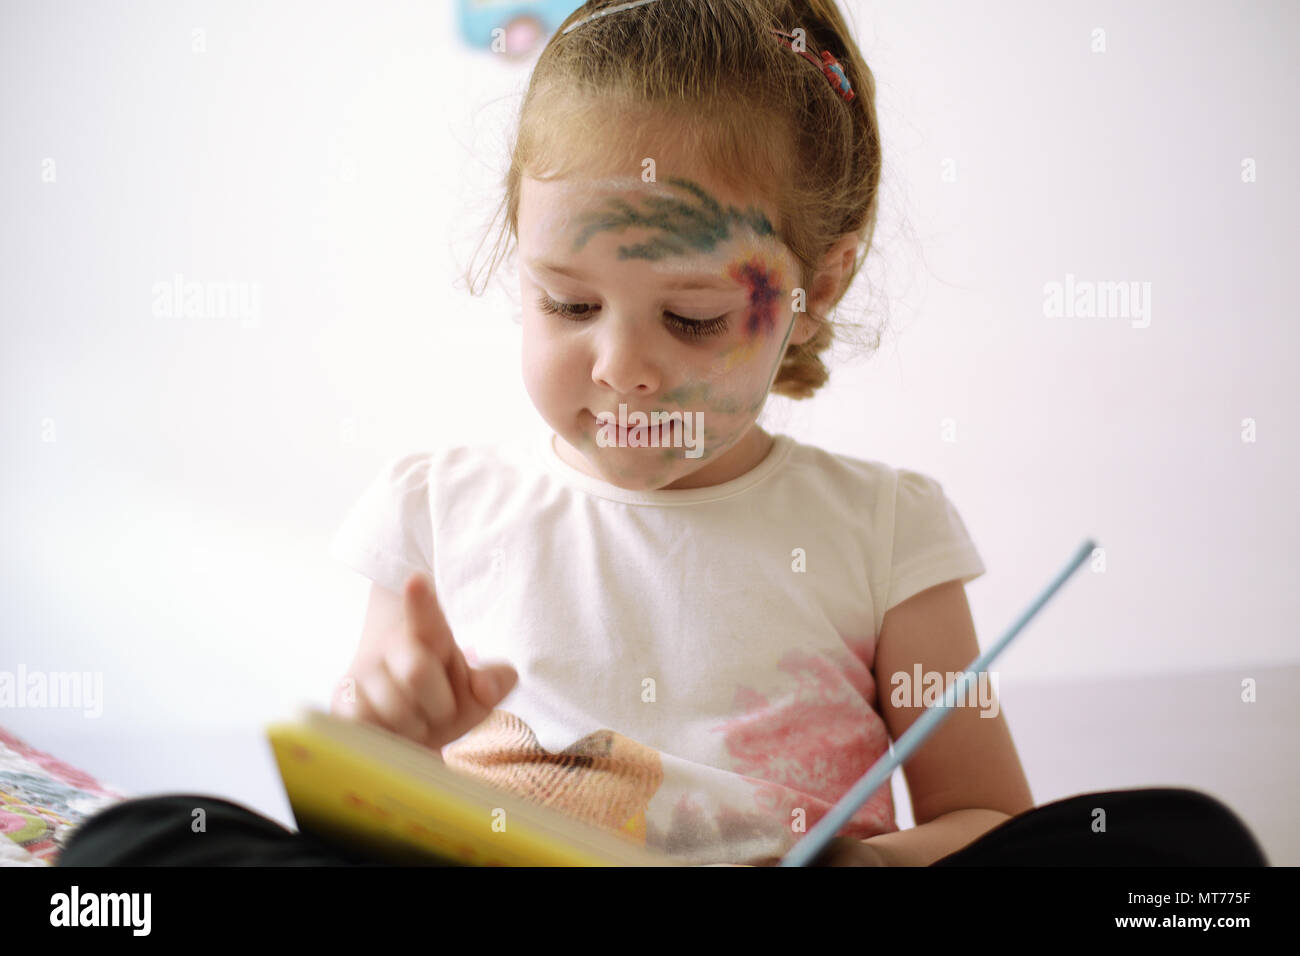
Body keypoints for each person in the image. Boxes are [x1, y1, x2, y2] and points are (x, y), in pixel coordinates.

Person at [58, 0, 1268, 869]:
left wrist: (894, 860)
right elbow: (357, 813)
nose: (620, 362)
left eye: (691, 315)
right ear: (517, 257)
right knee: (144, 846)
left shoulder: (886, 531)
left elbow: (987, 820)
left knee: (1177, 849)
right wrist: (387, 735)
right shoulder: (433, 505)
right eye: (567, 302)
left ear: (819, 282)